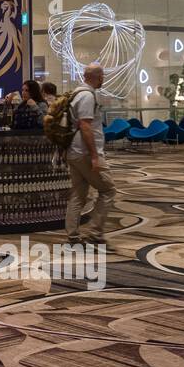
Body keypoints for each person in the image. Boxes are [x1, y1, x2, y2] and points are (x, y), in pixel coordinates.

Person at [64, 64, 118, 244]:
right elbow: (86, 126)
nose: (103, 79)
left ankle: (72, 234)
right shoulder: (87, 96)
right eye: (102, 75)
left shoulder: (76, 94)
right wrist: (95, 156)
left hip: (74, 151)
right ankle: (95, 233)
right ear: (97, 77)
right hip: (85, 153)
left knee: (78, 194)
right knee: (108, 190)